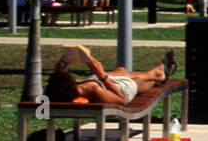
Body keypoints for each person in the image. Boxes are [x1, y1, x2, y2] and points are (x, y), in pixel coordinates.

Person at [45, 44, 176, 105]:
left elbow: (58, 81)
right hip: (120, 90)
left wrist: (60, 67)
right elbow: (122, 101)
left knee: (122, 71)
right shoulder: (92, 89)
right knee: (135, 80)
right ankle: (158, 75)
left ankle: (158, 73)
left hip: (103, 82)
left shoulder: (68, 89)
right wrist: (101, 75)